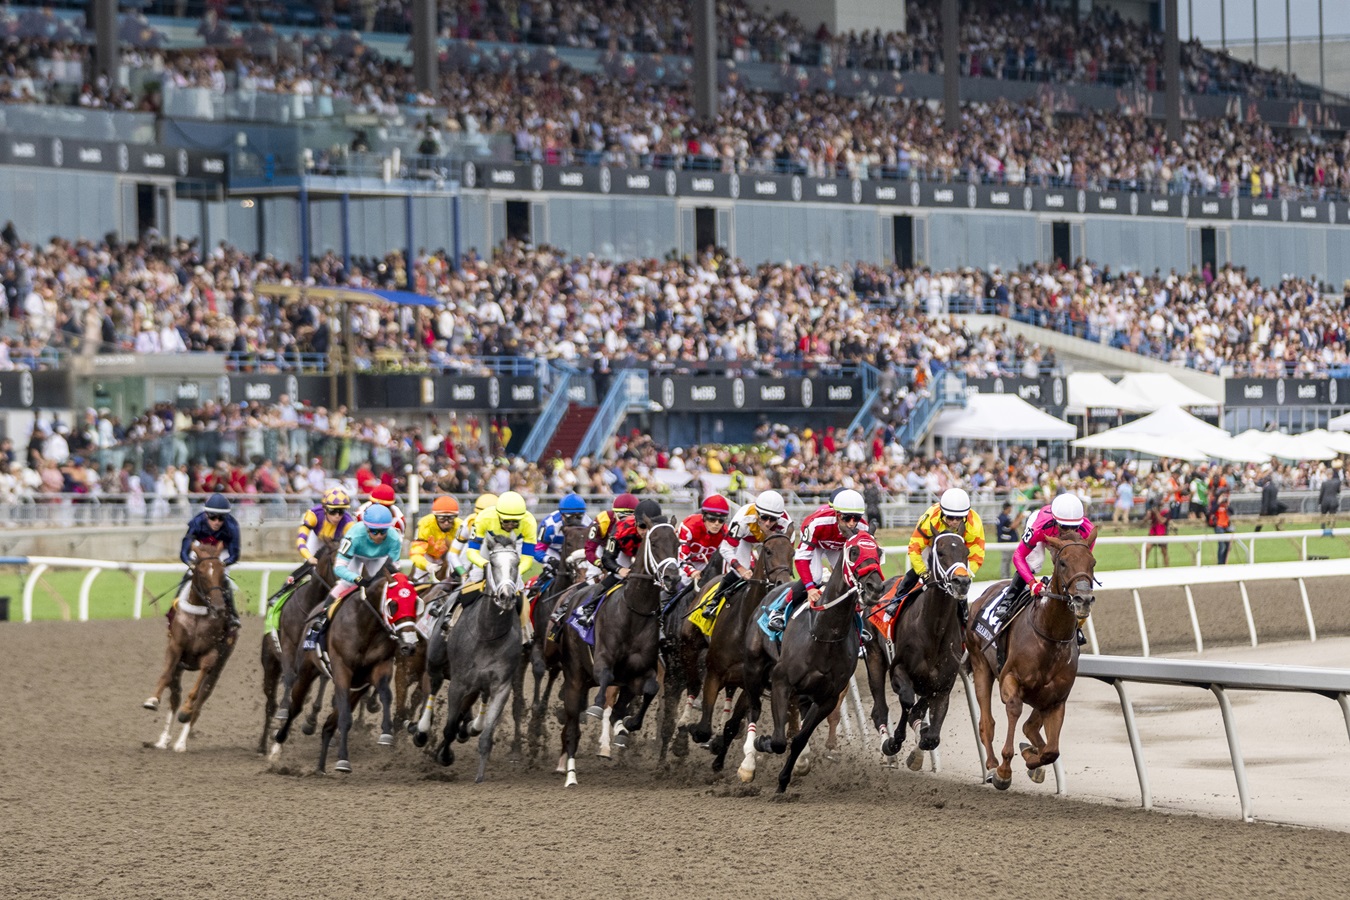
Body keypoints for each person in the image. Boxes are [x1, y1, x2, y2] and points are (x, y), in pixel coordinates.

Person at [984, 493, 1096, 647]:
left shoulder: (1088, 530)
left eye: (1073, 527)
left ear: (1080, 523)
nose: (1069, 531)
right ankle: (1008, 601)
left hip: (1058, 538)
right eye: (1064, 526)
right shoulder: (1040, 526)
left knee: (1078, 578)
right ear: (1056, 521)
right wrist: (1032, 583)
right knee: (1035, 563)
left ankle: (1077, 625)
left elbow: (1083, 564)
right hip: (1044, 534)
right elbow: (1018, 556)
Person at [767, 489, 868, 631]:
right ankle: (779, 610)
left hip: (838, 546)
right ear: (837, 514)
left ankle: (857, 624)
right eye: (846, 518)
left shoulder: (863, 527)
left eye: (856, 518)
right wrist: (809, 588)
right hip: (818, 543)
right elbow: (801, 559)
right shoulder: (817, 523)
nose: (852, 523)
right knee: (816, 576)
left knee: (850, 578)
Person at [303, 504, 402, 646]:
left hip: (379, 558)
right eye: (374, 532)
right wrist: (356, 578)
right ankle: (319, 623)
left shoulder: (394, 538)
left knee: (384, 586)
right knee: (347, 584)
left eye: (383, 531)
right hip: (356, 555)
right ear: (367, 528)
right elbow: (339, 568)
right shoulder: (353, 536)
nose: (379, 536)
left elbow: (394, 569)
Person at [891, 488, 985, 617]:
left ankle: (964, 613)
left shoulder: (974, 523)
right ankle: (897, 599)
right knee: (919, 571)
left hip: (957, 551)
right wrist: (923, 573)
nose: (954, 522)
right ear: (942, 512)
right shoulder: (931, 519)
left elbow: (977, 555)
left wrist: (963, 573)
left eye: (959, 518)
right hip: (931, 546)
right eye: (950, 517)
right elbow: (914, 549)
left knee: (961, 581)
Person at [574, 498, 663, 629]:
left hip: (644, 549)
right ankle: (589, 607)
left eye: (650, 527)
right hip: (621, 549)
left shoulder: (661, 532)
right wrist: (618, 569)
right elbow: (604, 557)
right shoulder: (620, 528)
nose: (646, 531)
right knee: (617, 575)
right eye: (642, 526)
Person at [463, 490, 542, 636]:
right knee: (472, 581)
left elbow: (527, 558)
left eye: (515, 522)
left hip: (512, 550)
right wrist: (485, 565)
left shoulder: (529, 521)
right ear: (498, 516)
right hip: (488, 547)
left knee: (519, 590)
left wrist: (516, 571)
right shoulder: (484, 517)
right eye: (506, 521)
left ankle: (526, 633)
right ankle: (452, 622)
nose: (511, 525)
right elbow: (472, 552)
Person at [713, 489, 793, 614]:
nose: (767, 523)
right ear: (757, 513)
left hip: (770, 542)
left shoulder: (786, 524)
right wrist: (741, 569)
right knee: (741, 570)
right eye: (764, 517)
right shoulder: (742, 519)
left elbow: (787, 554)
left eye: (772, 519)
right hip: (746, 540)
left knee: (776, 573)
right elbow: (725, 548)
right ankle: (716, 600)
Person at [178, 492, 242, 628]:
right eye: (213, 517)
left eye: (221, 518)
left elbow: (235, 554)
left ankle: (232, 616)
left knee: (223, 579)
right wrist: (191, 565)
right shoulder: (197, 522)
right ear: (206, 514)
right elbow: (184, 551)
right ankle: (174, 609)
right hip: (202, 551)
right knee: (188, 576)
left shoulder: (232, 526)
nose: (217, 522)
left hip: (222, 553)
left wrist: (221, 565)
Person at [675, 494, 731, 614]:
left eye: (721, 520)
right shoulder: (688, 526)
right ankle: (667, 610)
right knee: (681, 581)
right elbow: (682, 556)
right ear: (704, 516)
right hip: (685, 561)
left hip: (707, 564)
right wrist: (691, 571)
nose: (716, 524)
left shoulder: (725, 532)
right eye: (712, 519)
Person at [534, 493, 592, 591]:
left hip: (575, 550)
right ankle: (536, 592)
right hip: (554, 551)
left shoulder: (589, 524)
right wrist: (550, 560)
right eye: (570, 517)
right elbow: (537, 550)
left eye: (579, 517)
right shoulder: (549, 525)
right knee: (553, 571)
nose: (574, 521)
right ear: (562, 515)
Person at [409, 495, 465, 585]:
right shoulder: (425, 524)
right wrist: (427, 565)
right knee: (417, 579)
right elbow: (416, 553)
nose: (446, 522)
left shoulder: (461, 526)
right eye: (442, 518)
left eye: (450, 518)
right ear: (435, 517)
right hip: (427, 555)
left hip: (447, 557)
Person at [584, 492, 638, 581]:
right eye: (622, 517)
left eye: (631, 518)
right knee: (592, 578)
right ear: (614, 513)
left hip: (624, 551)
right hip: (603, 549)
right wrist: (599, 563)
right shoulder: (603, 519)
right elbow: (590, 549)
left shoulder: (641, 524)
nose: (626, 522)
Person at [1144, 497, 1170, 567]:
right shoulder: (1151, 512)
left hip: (1162, 533)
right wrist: (1148, 515)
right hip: (1153, 533)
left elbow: (1162, 521)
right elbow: (1144, 522)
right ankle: (1143, 566)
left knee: (1164, 552)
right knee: (1146, 549)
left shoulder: (1165, 512)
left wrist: (1156, 512)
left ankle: (1166, 567)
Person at [996, 501, 1018, 579]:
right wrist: (1020, 518)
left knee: (1007, 559)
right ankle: (1005, 576)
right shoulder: (1004, 518)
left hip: (1004, 540)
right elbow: (1012, 526)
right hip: (1006, 541)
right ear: (1008, 508)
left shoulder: (1001, 517)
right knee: (1006, 559)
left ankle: (1007, 575)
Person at [1212, 491, 1233, 564]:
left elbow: (1232, 512)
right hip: (1219, 526)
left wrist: (1227, 504)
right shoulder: (1216, 504)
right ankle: (1220, 563)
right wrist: (1218, 502)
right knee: (1222, 546)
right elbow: (1212, 511)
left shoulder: (1226, 506)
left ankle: (1224, 562)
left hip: (1226, 526)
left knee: (1227, 546)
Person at [1320, 460, 1342, 526]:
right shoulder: (1337, 482)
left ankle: (1323, 528)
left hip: (1325, 501)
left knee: (1323, 515)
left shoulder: (1324, 483)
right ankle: (1332, 529)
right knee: (1333, 515)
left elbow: (1321, 493)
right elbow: (1338, 491)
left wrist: (1319, 502)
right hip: (1333, 501)